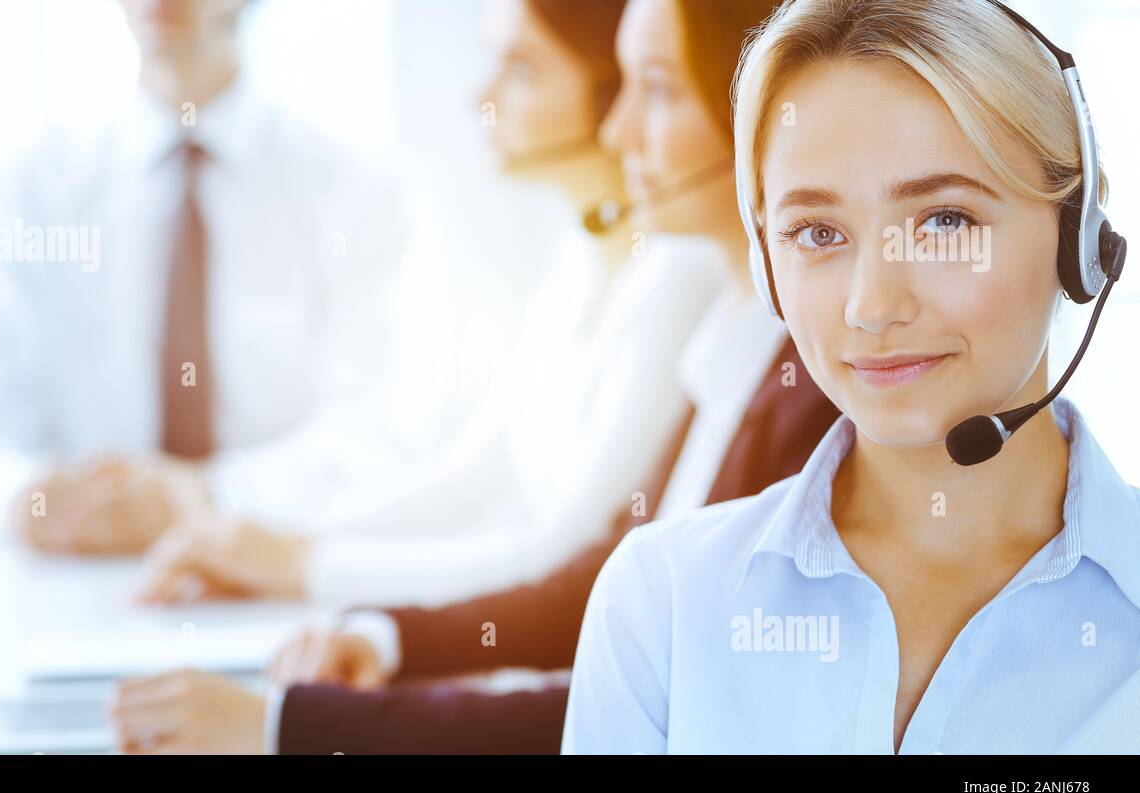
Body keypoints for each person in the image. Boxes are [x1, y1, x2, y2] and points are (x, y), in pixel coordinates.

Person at [108, 0, 834, 756]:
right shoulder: (722, 336)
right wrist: (384, 632)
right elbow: (611, 581)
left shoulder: (777, 362)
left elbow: (654, 693)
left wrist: (293, 723)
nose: (617, 130)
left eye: (653, 88)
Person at [564, 0, 1136, 754]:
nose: (873, 306)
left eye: (945, 221)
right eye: (818, 232)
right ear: (770, 266)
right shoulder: (660, 604)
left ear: (1078, 237)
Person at [125, 0, 726, 610]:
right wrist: (271, 548)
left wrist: (304, 567)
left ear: (610, 90)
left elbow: (566, 553)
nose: (481, 99)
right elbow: (474, 479)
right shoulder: (580, 258)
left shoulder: (680, 277)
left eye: (520, 70)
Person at [0, 0, 409, 548]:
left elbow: (384, 424)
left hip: (282, 577)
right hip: (64, 589)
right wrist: (23, 496)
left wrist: (209, 496)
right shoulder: (24, 194)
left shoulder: (353, 188)